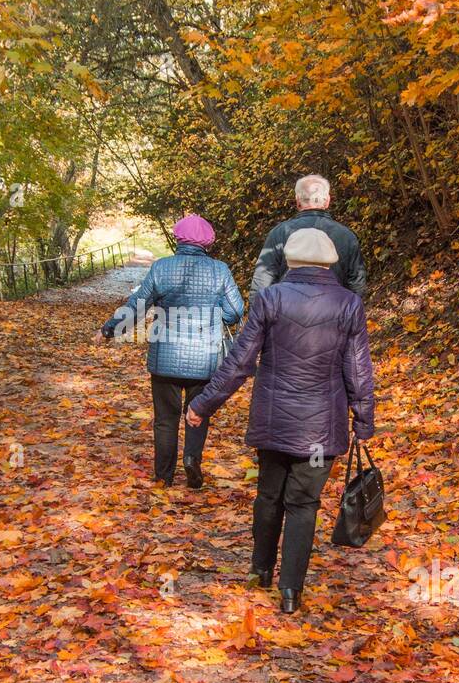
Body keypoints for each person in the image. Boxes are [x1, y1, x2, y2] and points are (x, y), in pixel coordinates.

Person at [186, 228, 375, 613]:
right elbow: (358, 369)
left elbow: (240, 361)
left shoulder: (270, 299)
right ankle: (291, 592)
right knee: (304, 504)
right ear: (329, 262)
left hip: (273, 423)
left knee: (269, 496)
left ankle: (260, 569)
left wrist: (204, 403)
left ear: (289, 261)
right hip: (322, 431)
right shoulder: (348, 304)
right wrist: (364, 419)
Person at [95, 215, 244, 489]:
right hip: (205, 359)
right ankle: (191, 459)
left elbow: (137, 305)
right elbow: (235, 311)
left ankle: (164, 476)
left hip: (166, 359)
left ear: (178, 238)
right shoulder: (220, 270)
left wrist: (109, 330)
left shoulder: (161, 268)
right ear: (207, 242)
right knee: (197, 413)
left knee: (165, 419)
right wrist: (214, 313)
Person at [249, 173, 367, 304]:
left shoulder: (279, 234)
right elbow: (357, 284)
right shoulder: (346, 236)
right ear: (327, 201)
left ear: (297, 201)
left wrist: (261, 316)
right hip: (334, 313)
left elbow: (262, 280)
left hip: (287, 314)